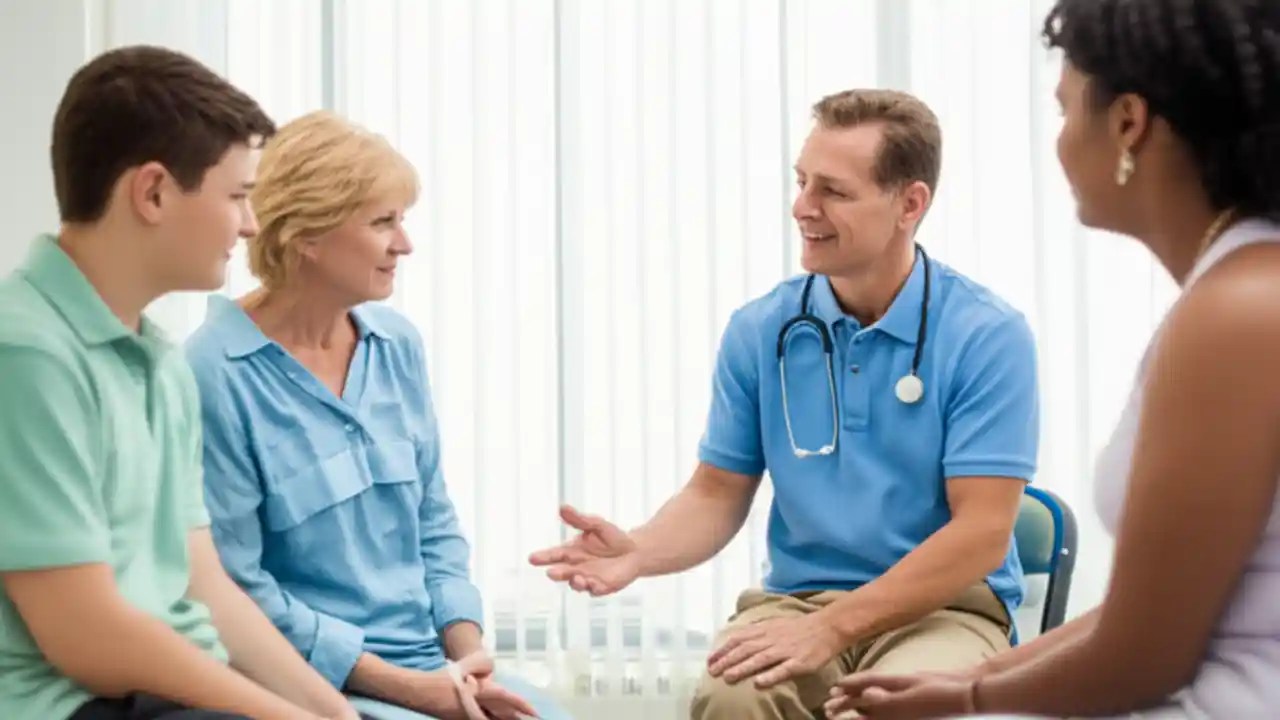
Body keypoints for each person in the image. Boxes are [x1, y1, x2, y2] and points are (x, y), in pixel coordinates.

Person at [824, 1, 1280, 719]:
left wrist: (973, 695)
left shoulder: (1240, 310)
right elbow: (1143, 616)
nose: (1062, 142)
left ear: (1128, 122)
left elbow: (1144, 660)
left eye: (1068, 111)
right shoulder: (1236, 289)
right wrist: (971, 683)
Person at [529, 88, 1041, 718]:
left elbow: (983, 534)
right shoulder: (762, 329)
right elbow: (716, 492)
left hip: (940, 610)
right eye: (802, 182)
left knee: (890, 710)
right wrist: (640, 549)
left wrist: (836, 628)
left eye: (833, 190)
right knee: (733, 698)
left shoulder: (985, 335)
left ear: (910, 203)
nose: (803, 207)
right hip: (799, 603)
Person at [0, 46, 361, 720]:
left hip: (168, 694)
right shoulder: (25, 354)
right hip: (76, 702)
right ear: (154, 192)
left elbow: (204, 584)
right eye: (237, 197)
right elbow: (85, 637)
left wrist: (333, 713)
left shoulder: (160, 362)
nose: (250, 224)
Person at [184, 110, 572, 720]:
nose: (405, 244)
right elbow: (238, 589)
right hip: (317, 686)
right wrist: (407, 689)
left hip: (434, 667)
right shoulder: (213, 374)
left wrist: (469, 661)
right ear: (306, 234)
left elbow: (433, 522)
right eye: (383, 223)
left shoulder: (395, 345)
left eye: (403, 220)